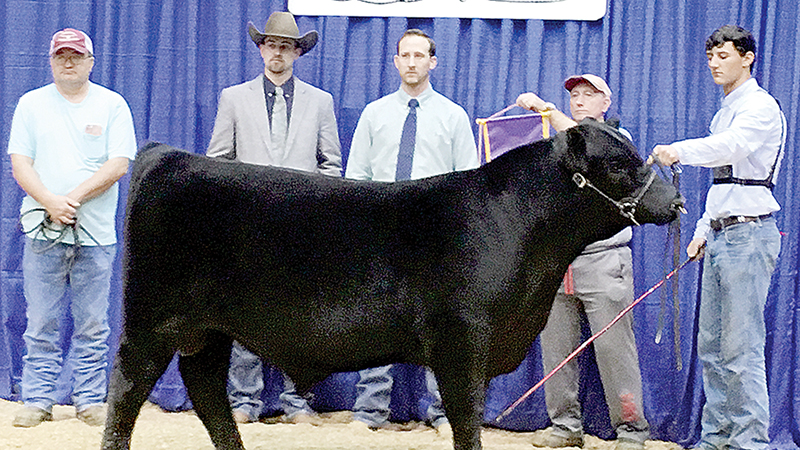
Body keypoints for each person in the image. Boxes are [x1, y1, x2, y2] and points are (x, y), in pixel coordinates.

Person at [651, 25, 783, 450]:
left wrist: (681, 150)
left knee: (741, 347)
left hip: (750, 233)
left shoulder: (760, 107)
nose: (713, 63)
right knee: (712, 344)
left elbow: (731, 149)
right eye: (710, 56)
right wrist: (704, 228)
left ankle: (750, 442)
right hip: (724, 234)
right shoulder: (725, 110)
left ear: (747, 58)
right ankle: (717, 437)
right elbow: (721, 181)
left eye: (723, 56)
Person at [206, 11, 342, 425]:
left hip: (302, 227)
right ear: (261, 48)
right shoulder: (234, 97)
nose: (277, 52)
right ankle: (244, 401)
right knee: (243, 312)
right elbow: (218, 160)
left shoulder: (320, 102)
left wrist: (315, 211)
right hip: (247, 227)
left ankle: (297, 400)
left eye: (286, 46)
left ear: (297, 52)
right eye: (271, 45)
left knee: (299, 313)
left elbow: (331, 165)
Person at [345, 29, 479, 430]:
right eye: (405, 55)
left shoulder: (453, 116)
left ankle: (443, 412)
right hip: (382, 230)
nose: (412, 62)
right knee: (375, 318)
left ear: (432, 62)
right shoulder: (375, 113)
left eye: (420, 55)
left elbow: (467, 181)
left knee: (443, 322)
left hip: (436, 235)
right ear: (396, 61)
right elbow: (357, 177)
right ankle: (370, 409)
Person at [7, 28, 137, 427]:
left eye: (76, 56)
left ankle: (90, 400)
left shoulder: (112, 105)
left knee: (93, 323)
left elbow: (119, 164)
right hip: (43, 231)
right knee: (41, 320)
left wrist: (71, 199)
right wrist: (50, 202)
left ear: (90, 62)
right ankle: (37, 399)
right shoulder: (30, 105)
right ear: (51, 60)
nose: (68, 61)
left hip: (95, 233)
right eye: (61, 55)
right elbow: (20, 162)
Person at [516, 74, 650, 450]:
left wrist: (547, 109)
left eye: (589, 95)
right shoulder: (557, 146)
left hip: (605, 261)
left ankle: (631, 430)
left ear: (606, 103)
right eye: (574, 95)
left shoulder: (617, 144)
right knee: (555, 347)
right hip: (558, 263)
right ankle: (564, 426)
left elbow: (588, 143)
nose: (579, 100)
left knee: (615, 350)